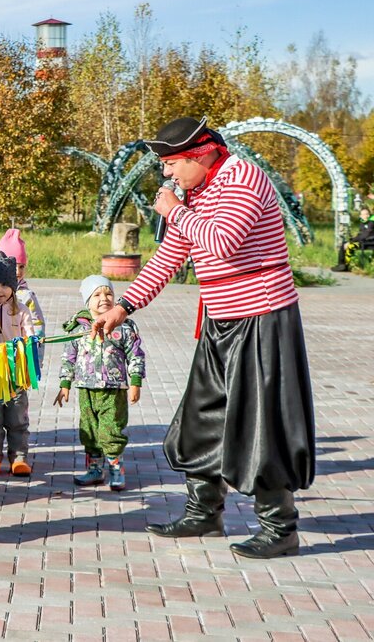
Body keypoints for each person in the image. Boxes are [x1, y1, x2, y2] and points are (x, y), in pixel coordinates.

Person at [94, 117, 315, 559]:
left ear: (200, 154)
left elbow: (222, 243)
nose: (166, 174)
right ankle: (204, 512)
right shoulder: (197, 192)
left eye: (171, 164)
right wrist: (124, 307)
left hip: (262, 318)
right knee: (202, 416)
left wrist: (175, 211)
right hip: (220, 320)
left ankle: (280, 528)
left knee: (262, 424)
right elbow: (169, 257)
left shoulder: (242, 178)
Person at [54, 275, 145, 491]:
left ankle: (116, 469)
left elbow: (135, 354)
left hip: (113, 389)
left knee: (111, 429)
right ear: (87, 301)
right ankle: (95, 468)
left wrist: (135, 382)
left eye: (108, 293)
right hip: (86, 388)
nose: (104, 298)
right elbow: (69, 357)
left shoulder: (123, 327)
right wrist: (65, 384)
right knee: (89, 430)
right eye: (97, 295)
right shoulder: (78, 328)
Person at [0, 252, 38, 478]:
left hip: (16, 374)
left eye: (5, 285)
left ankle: (19, 457)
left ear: (13, 286)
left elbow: (30, 337)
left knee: (17, 418)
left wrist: (29, 351)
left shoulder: (22, 310)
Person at [0, 229, 47, 361]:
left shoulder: (27, 297)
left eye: (21, 266)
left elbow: (37, 328)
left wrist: (36, 359)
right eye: (14, 266)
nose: (17, 271)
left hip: (16, 360)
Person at [333, 207, 374, 271]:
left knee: (350, 246)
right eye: (363, 214)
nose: (365, 216)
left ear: (369, 215)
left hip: (369, 242)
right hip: (363, 241)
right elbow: (360, 234)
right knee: (344, 244)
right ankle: (341, 264)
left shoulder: (371, 222)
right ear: (360, 216)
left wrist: (352, 241)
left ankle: (345, 266)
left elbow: (365, 235)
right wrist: (352, 239)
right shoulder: (363, 222)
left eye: (366, 214)